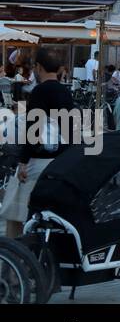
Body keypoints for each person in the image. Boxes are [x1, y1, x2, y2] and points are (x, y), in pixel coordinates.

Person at [2, 48, 75, 238]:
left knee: (13, 210)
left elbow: (34, 128)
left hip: (37, 160)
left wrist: (23, 161)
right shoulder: (65, 92)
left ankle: (13, 258)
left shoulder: (40, 91)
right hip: (61, 160)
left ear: (38, 67)